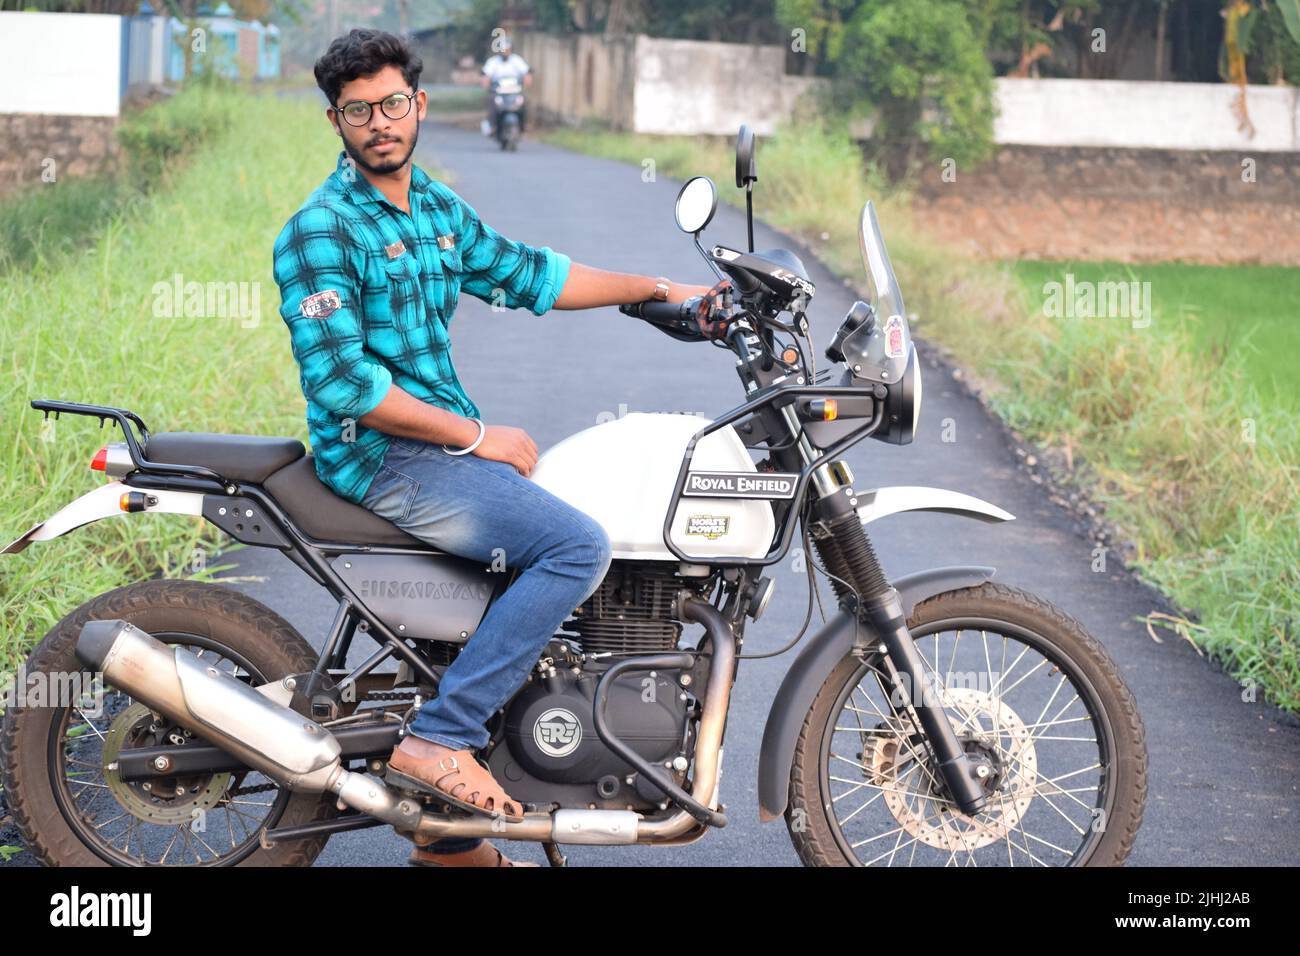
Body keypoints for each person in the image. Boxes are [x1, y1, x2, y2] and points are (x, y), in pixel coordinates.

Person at [272, 28, 712, 868]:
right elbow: (346, 389)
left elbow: (532, 274)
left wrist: (661, 290)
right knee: (575, 545)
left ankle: (452, 845)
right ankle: (440, 738)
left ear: (419, 105)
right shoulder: (319, 229)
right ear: (336, 121)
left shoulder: (433, 208)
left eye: (392, 103)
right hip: (381, 459)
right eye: (358, 110)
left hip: (436, 448)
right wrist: (478, 435)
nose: (379, 122)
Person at [479, 35, 531, 136]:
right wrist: (486, 83)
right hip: (498, 91)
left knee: (524, 101)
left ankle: (524, 125)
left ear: (511, 49)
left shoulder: (516, 60)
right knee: (492, 102)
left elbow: (526, 73)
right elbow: (486, 74)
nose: (505, 52)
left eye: (507, 49)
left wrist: (527, 82)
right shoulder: (493, 62)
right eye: (503, 50)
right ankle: (492, 126)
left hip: (514, 92)